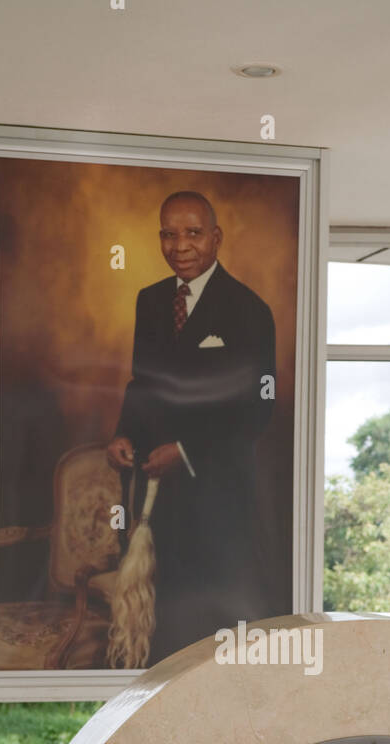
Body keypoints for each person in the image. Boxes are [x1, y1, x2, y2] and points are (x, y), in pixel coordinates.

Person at [107, 190, 276, 663]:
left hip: (218, 500)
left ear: (217, 238)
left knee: (210, 634)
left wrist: (184, 451)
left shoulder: (250, 311)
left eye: (193, 233)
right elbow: (144, 387)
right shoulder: (151, 302)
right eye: (169, 233)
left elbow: (260, 408)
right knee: (163, 629)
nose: (180, 245)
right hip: (157, 498)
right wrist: (125, 435)